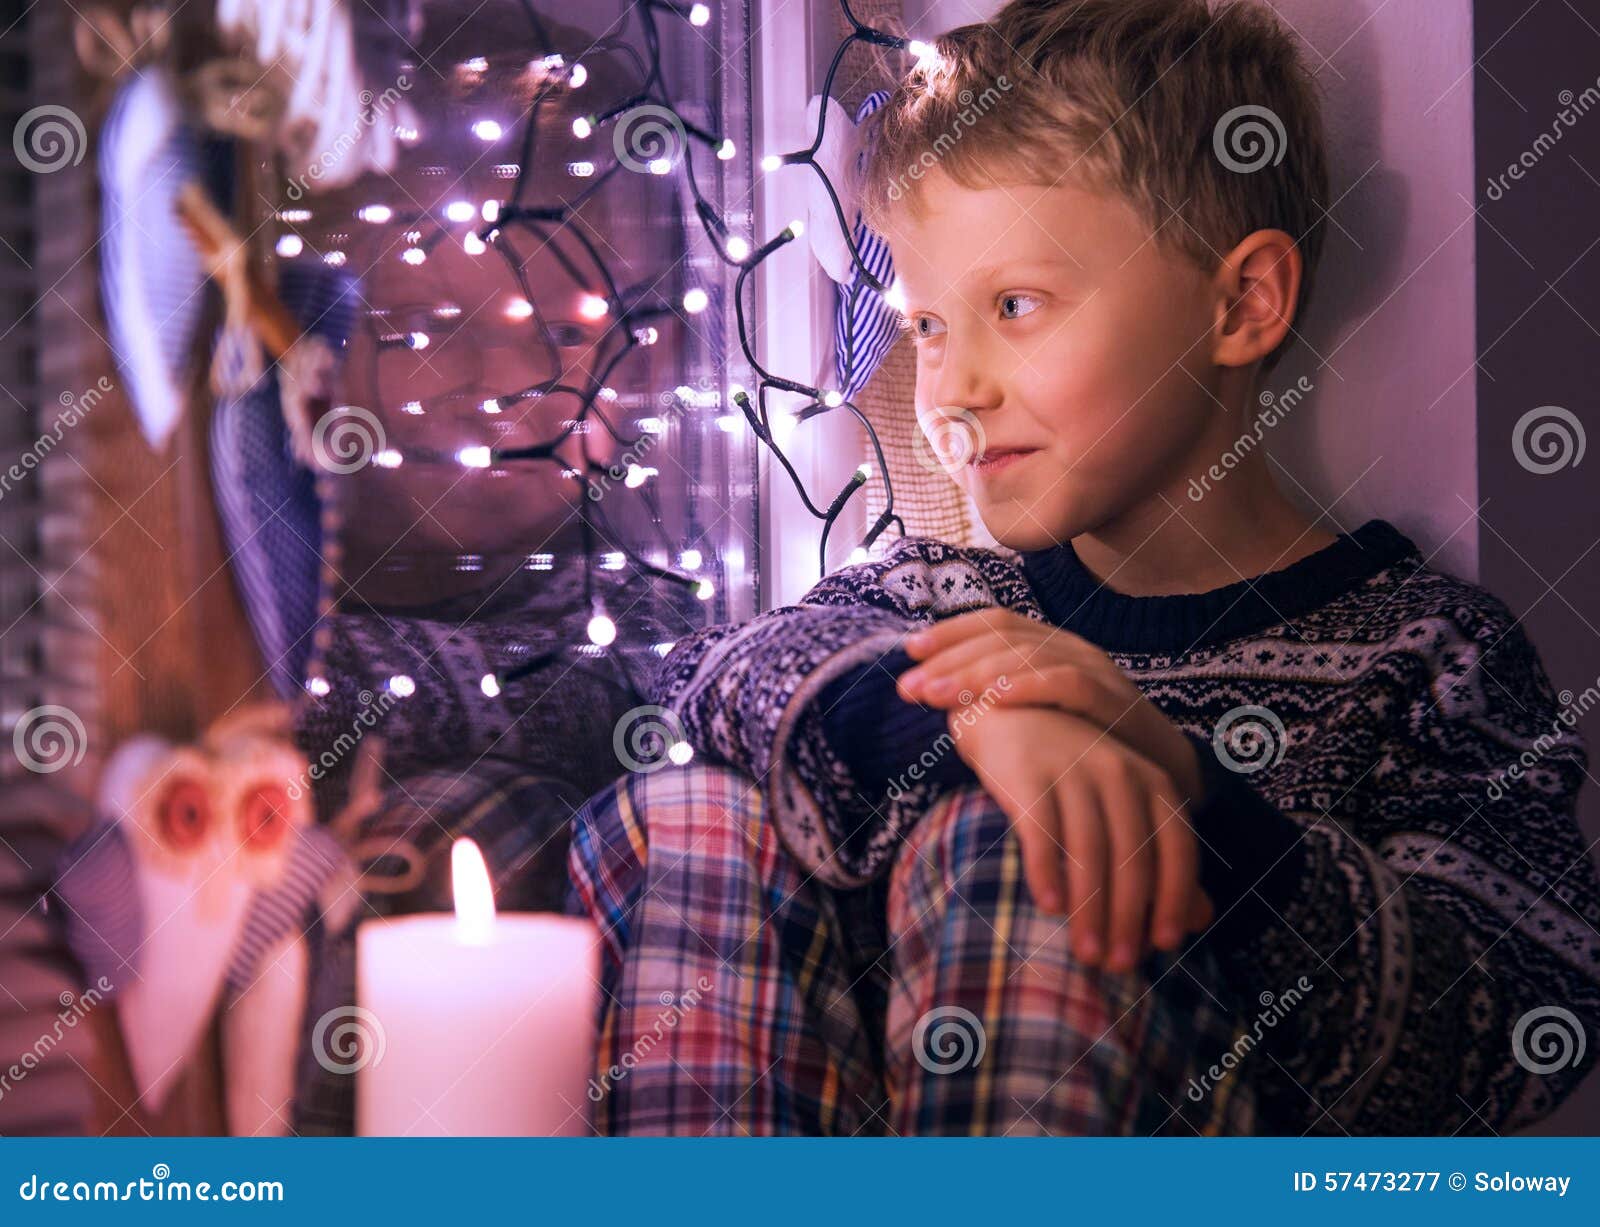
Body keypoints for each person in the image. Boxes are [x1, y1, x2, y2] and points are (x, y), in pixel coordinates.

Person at [567, 0, 1600, 1135]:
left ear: (1242, 301)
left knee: (1039, 848)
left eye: (1015, 306)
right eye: (925, 327)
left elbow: (1523, 1025)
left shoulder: (1424, 655)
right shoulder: (933, 599)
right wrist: (965, 726)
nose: (952, 390)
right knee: (690, 811)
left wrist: (1191, 805)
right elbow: (704, 674)